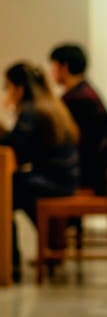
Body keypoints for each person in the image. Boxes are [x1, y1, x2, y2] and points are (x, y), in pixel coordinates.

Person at [0, 62, 79, 281]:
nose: (6, 93)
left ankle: (9, 263)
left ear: (19, 88)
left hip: (53, 182)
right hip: (65, 179)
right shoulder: (49, 105)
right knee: (12, 186)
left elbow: (15, 149)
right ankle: (50, 242)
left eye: (7, 87)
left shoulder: (30, 111)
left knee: (3, 193)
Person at [50, 44, 107, 195]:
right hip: (95, 171)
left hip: (86, 175)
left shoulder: (76, 99)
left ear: (64, 67)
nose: (51, 72)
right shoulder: (85, 92)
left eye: (53, 66)